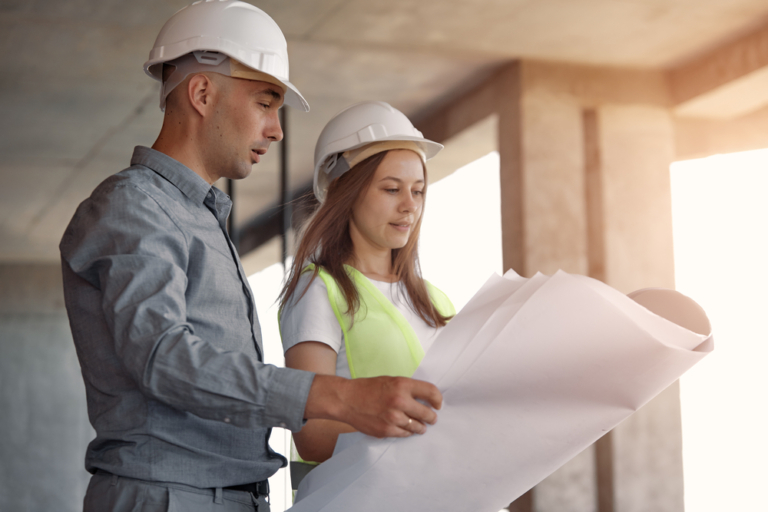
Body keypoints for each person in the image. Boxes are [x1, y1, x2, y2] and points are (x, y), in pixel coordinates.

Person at [59, 3, 441, 511]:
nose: (277, 130)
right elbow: (162, 358)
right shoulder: (135, 206)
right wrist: (342, 398)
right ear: (201, 94)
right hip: (169, 497)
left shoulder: (200, 218)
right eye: (265, 103)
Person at [279, 101, 456, 472]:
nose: (409, 206)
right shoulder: (318, 290)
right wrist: (407, 424)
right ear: (345, 191)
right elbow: (312, 435)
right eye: (392, 189)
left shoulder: (435, 302)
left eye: (418, 191)